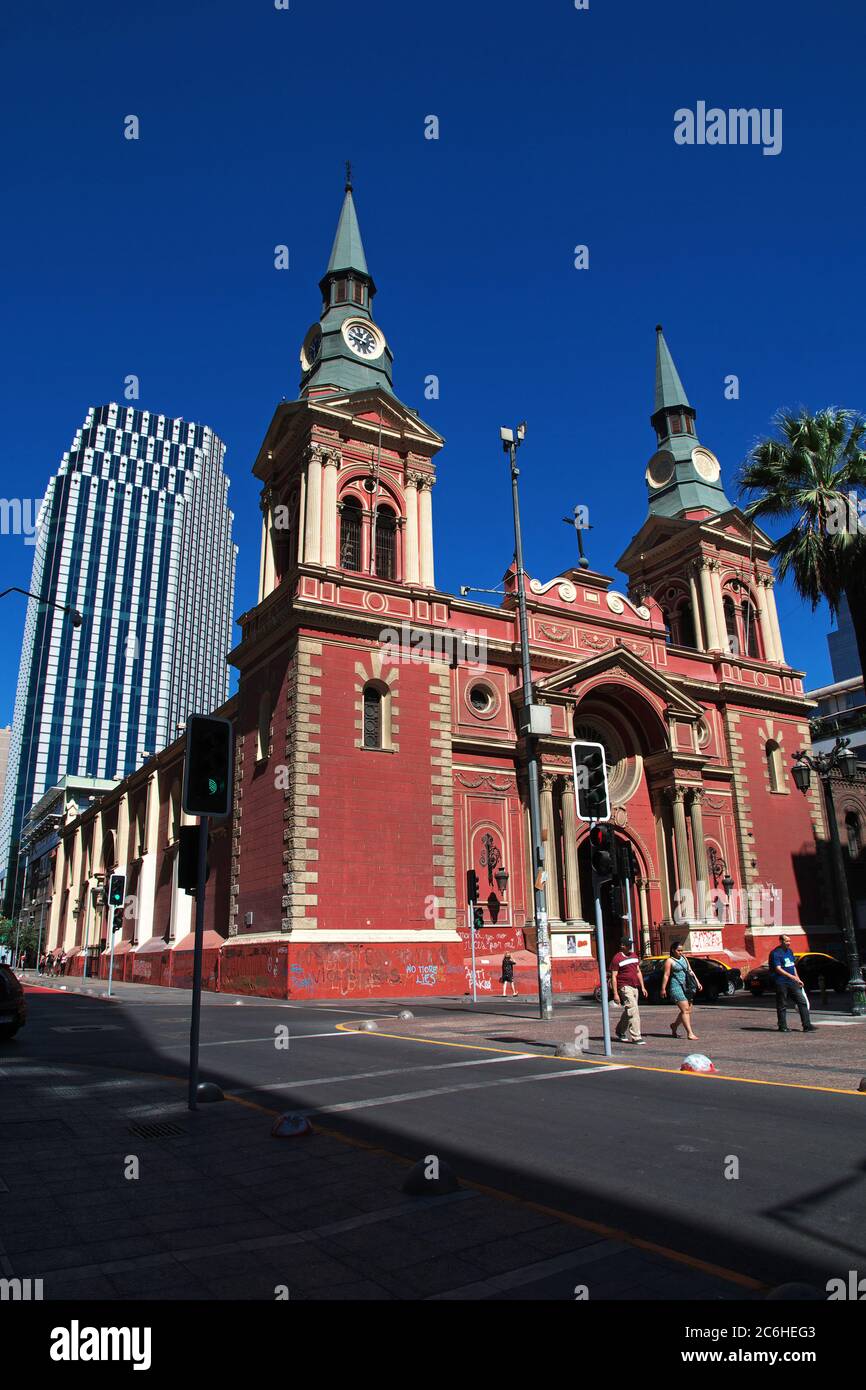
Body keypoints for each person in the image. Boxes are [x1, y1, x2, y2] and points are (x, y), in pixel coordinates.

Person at [769, 934, 816, 1033]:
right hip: (781, 982)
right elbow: (778, 969)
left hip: (792, 982)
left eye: (789, 941)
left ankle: (807, 1025)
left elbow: (793, 966)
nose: (789, 943)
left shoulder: (790, 952)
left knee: (802, 1001)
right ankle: (782, 1026)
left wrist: (797, 978)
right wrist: (791, 976)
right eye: (786, 941)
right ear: (781, 941)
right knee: (782, 1004)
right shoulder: (775, 953)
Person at [662, 941, 702, 1040]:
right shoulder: (670, 961)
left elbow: (690, 971)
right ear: (673, 950)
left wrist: (697, 982)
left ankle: (674, 1025)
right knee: (685, 1010)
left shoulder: (684, 958)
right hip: (676, 986)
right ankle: (690, 1033)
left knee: (688, 1010)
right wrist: (663, 988)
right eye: (678, 950)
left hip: (687, 986)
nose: (680, 952)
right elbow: (666, 975)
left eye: (681, 950)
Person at [611, 937, 647, 1045]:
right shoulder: (617, 958)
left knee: (629, 1011)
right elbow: (614, 976)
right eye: (628, 944)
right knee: (633, 1010)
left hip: (634, 986)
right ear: (622, 946)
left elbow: (638, 971)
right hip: (624, 987)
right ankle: (636, 1036)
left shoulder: (634, 956)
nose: (630, 946)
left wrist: (643, 986)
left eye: (630, 944)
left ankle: (620, 1031)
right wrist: (615, 994)